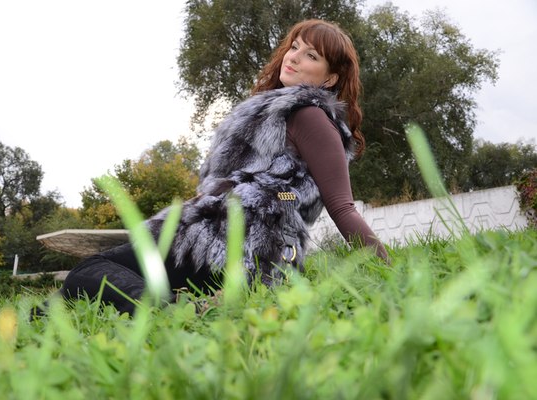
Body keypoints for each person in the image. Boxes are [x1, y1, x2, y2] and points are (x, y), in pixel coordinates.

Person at [51, 19, 388, 316]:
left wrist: (387, 270)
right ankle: (180, 303)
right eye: (295, 47)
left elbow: (342, 206)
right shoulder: (273, 113)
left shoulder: (310, 115)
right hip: (216, 238)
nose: (295, 57)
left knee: (88, 272)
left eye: (311, 55)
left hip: (241, 248)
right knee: (86, 281)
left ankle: (173, 311)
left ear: (329, 78)